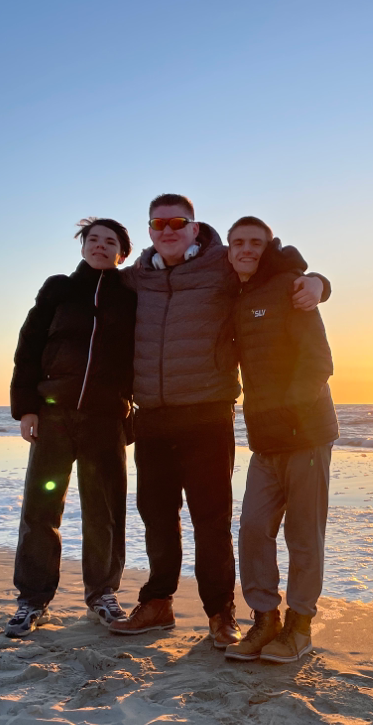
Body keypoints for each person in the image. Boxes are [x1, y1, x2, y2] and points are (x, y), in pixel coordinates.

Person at [107, 195, 329, 648]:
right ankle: (157, 603)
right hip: (152, 414)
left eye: (177, 222)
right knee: (156, 517)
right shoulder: (137, 278)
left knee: (212, 521)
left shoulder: (221, 264)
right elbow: (95, 284)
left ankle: (220, 615)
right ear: (149, 230)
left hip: (207, 413)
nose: (167, 230)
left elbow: (275, 262)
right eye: (158, 223)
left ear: (194, 228)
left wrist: (319, 281)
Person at [6, 218, 137, 638]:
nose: (100, 246)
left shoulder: (132, 294)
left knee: (105, 511)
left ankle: (103, 594)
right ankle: (32, 600)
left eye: (110, 241)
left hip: (105, 421)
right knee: (41, 510)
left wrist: (133, 411)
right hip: (54, 415)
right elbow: (28, 348)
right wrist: (26, 408)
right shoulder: (58, 288)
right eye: (93, 239)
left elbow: (145, 352)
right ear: (83, 247)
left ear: (123, 253)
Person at [224, 216, 338, 663]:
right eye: (238, 243)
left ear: (268, 246)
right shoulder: (237, 294)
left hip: (307, 435)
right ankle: (265, 619)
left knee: (304, 534)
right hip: (264, 439)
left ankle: (300, 627)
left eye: (256, 242)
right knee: (253, 528)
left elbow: (319, 361)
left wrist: (291, 413)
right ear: (229, 250)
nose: (247, 249)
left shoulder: (292, 286)